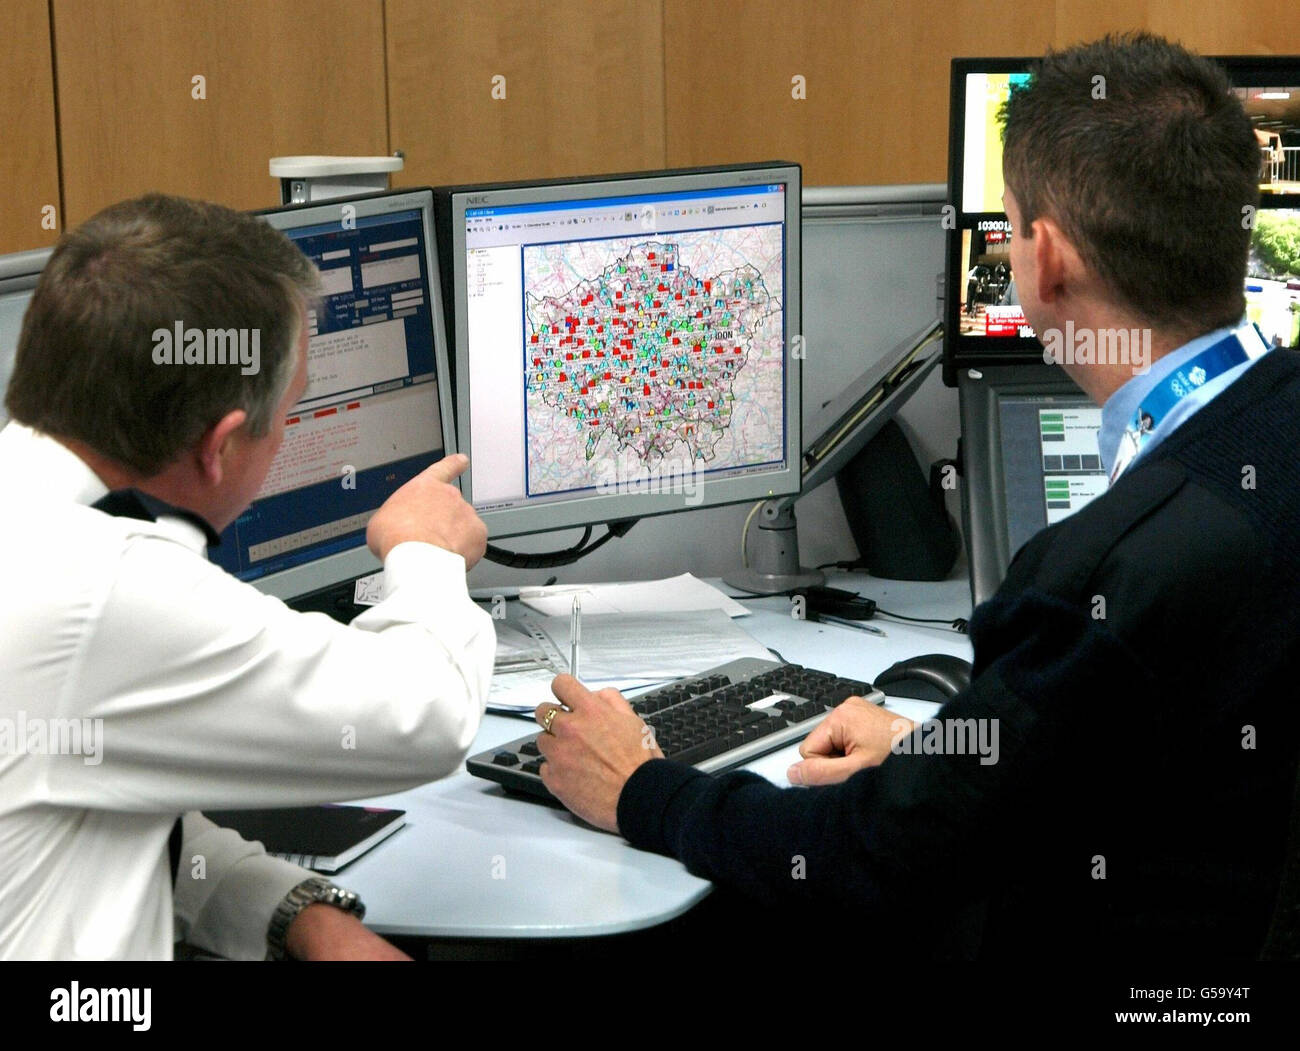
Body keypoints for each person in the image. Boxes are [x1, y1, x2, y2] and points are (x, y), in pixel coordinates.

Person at [533, 33, 1300, 958]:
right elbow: (1109, 752)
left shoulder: (1104, 570)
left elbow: (870, 859)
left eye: (1013, 227)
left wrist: (640, 787)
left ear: (1045, 259)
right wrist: (952, 747)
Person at [0, 194, 492, 959]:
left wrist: (291, 908)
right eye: (291, 412)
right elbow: (428, 713)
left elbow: (97, 792)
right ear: (221, 445)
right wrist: (423, 550)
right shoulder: (103, 583)